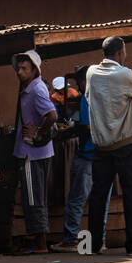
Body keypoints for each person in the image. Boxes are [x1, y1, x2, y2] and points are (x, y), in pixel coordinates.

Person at [85, 36, 132, 255]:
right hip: (126, 144)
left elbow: (90, 98)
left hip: (101, 145)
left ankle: (94, 244)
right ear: (120, 53)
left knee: (98, 194)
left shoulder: (91, 73)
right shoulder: (124, 74)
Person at [11, 50, 56, 254]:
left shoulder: (36, 89)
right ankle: (38, 239)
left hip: (32, 153)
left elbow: (52, 116)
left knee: (33, 197)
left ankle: (41, 244)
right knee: (35, 195)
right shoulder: (31, 87)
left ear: (34, 70)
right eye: (18, 68)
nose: (19, 72)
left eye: (24, 69)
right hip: (36, 152)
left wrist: (37, 131)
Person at [52, 66, 95, 252]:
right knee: (100, 199)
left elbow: (85, 126)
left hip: (86, 154)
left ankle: (70, 239)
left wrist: (68, 131)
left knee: (77, 199)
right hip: (103, 155)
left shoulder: (86, 97)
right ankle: (99, 239)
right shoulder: (105, 95)